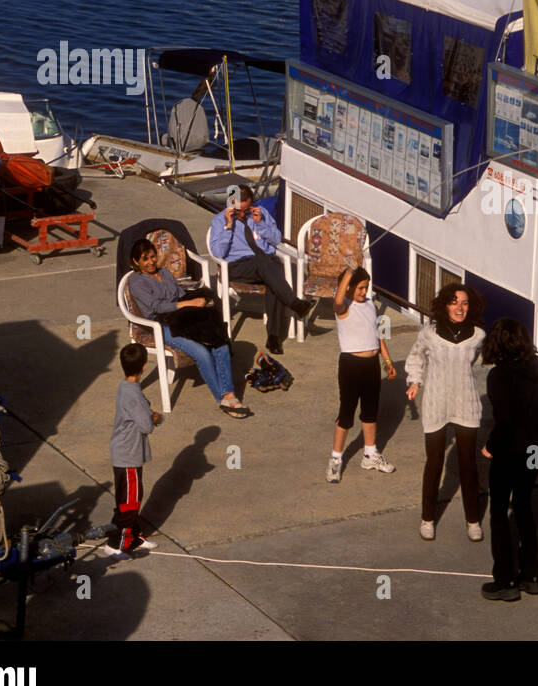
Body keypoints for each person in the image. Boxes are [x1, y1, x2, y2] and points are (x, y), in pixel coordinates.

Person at [479, 318, 538, 602]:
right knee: (525, 506)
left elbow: (505, 421)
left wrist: (490, 446)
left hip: (509, 450)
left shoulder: (498, 377)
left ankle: (506, 580)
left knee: (499, 511)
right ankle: (531, 574)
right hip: (534, 450)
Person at [127, 238, 249, 420]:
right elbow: (155, 307)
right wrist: (188, 304)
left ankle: (229, 394)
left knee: (220, 342)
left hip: (182, 317)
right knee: (202, 354)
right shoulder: (137, 282)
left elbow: (180, 294)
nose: (151, 262)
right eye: (145, 259)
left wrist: (196, 302)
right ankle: (223, 399)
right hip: (161, 324)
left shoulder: (164, 273)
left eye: (153, 257)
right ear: (136, 261)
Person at [405, 283, 486, 542]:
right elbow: (416, 358)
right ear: (445, 305)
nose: (460, 308)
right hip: (436, 403)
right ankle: (428, 519)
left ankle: (473, 521)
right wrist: (415, 382)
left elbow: (478, 361)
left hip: (466, 403)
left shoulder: (478, 336)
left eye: (464, 303)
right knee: (434, 463)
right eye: (454, 302)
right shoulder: (429, 333)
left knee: (468, 465)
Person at [208, 186, 314, 356]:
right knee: (268, 266)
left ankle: (274, 338)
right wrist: (228, 226)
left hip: (265, 264)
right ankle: (295, 304)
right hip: (238, 265)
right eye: (238, 211)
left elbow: (276, 239)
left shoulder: (260, 213)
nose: (242, 215)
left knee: (273, 278)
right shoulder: (220, 220)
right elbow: (218, 253)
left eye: (246, 210)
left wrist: (261, 224)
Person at [327, 266, 398, 482]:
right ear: (348, 287)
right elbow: (338, 299)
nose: (364, 292)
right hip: (351, 365)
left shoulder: (369, 305)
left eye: (366, 287)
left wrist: (387, 360)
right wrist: (349, 272)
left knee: (370, 412)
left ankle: (370, 454)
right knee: (346, 413)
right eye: (360, 288)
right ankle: (336, 459)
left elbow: (378, 335)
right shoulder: (343, 308)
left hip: (372, 365)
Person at [103, 343, 162, 558]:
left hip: (128, 453)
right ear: (144, 366)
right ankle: (115, 544)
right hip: (128, 455)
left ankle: (133, 535)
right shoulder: (134, 394)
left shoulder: (127, 387)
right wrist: (156, 417)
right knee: (129, 502)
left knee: (130, 498)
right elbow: (146, 425)